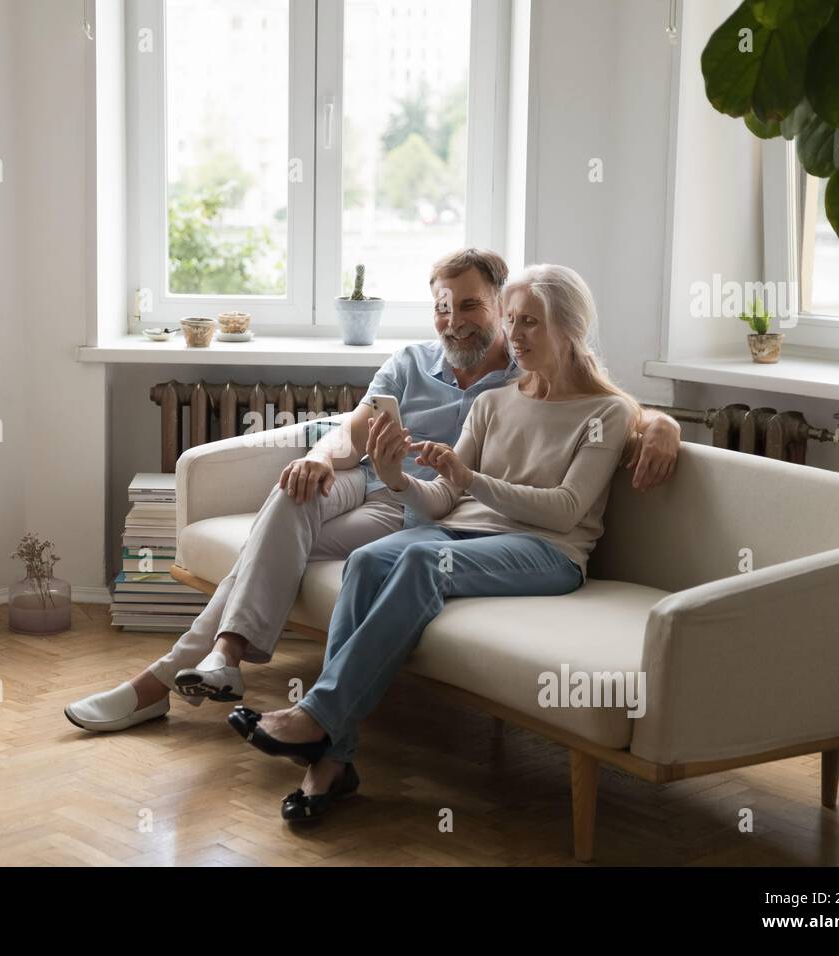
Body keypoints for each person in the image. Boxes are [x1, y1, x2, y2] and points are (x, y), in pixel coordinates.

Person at [65, 251, 679, 733]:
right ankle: (220, 660)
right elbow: (353, 431)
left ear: (499, 306)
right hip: (372, 479)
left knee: (270, 544)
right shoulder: (412, 360)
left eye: (470, 306)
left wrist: (661, 423)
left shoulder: (525, 366)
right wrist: (315, 458)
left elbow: (597, 397)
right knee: (291, 495)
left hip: (418, 509)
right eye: (442, 306)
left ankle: (166, 679)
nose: (453, 320)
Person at [230, 264, 641, 822]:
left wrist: (472, 482)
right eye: (513, 321)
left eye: (531, 324)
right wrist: (397, 478)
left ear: (569, 329)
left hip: (548, 551)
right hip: (465, 531)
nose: (515, 336)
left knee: (425, 557)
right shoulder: (494, 403)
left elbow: (567, 511)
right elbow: (444, 499)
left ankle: (317, 717)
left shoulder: (605, 412)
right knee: (368, 560)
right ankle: (334, 762)